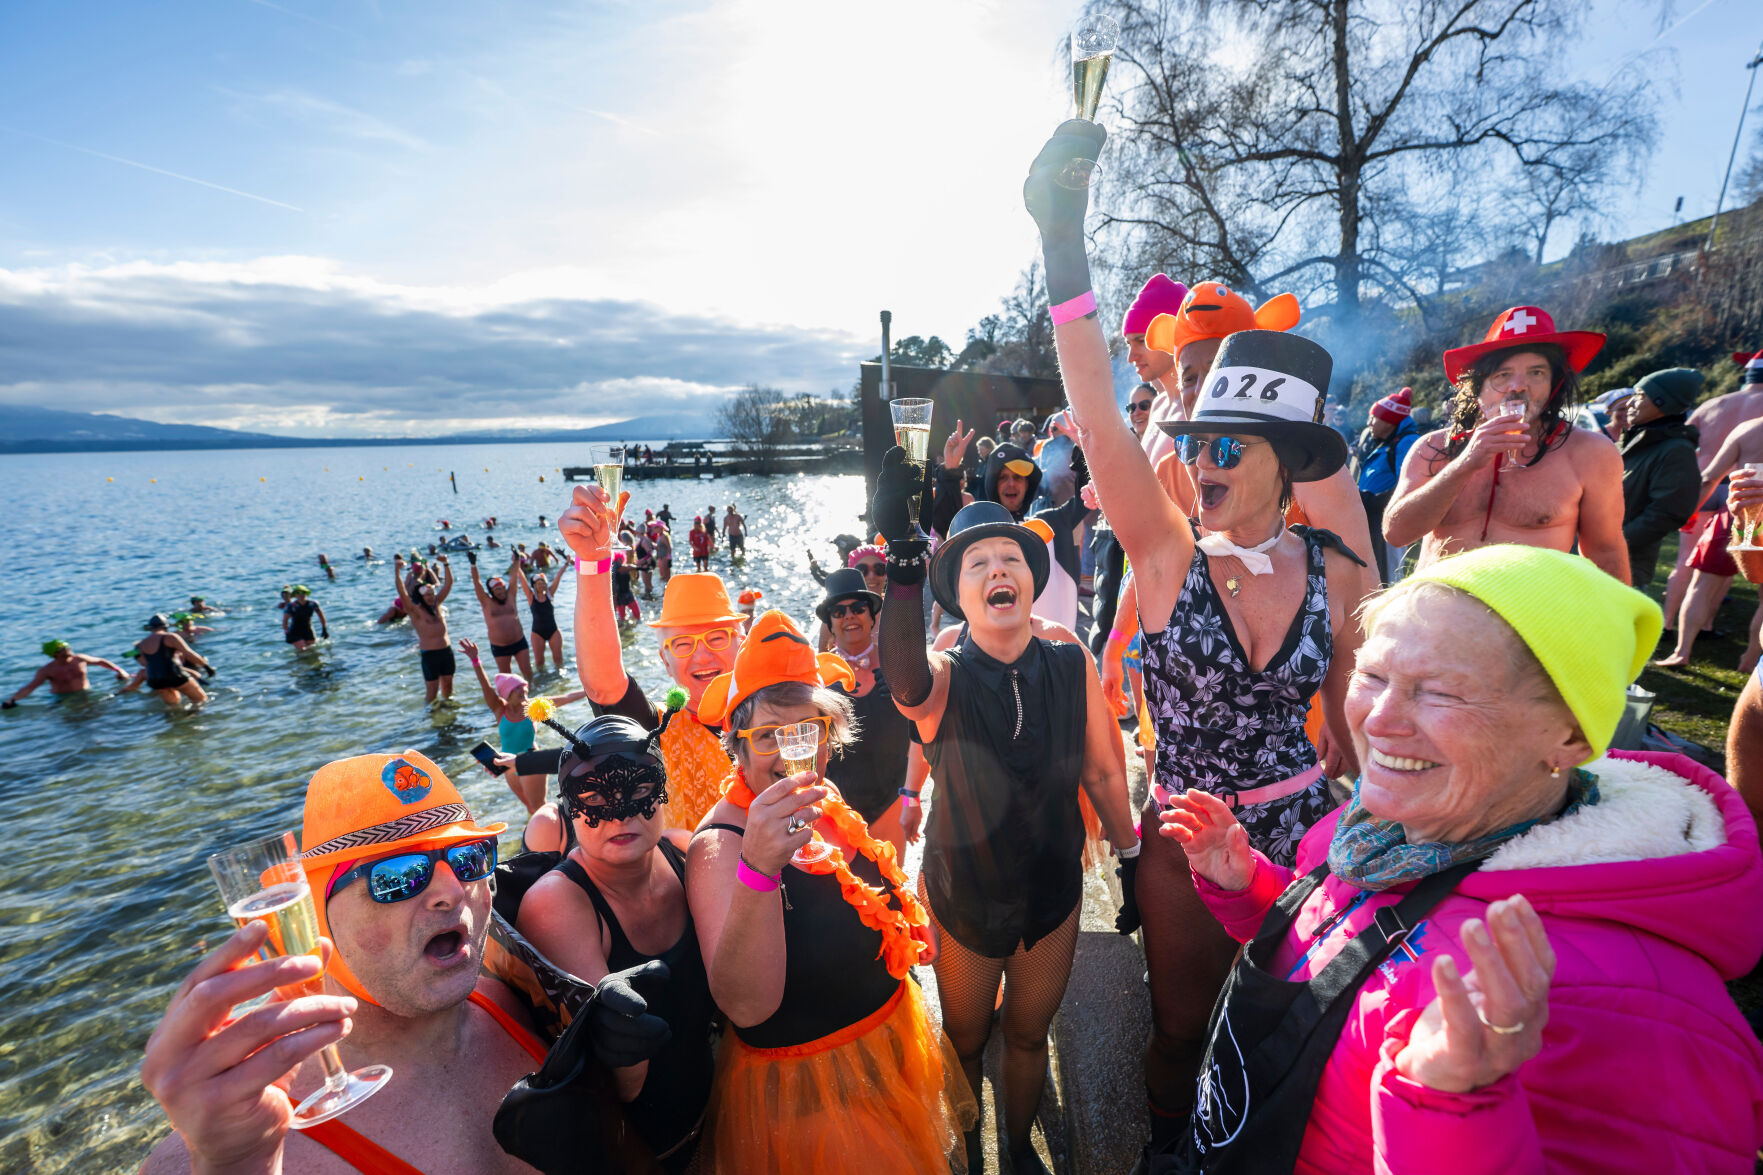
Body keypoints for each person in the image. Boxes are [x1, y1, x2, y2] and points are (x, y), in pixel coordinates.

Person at [1156, 544, 1763, 1171]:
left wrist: (1457, 1107)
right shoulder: (1379, 828)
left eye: (1440, 692)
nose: (1380, 719)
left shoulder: (1639, 1007)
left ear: (1572, 736)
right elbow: (1346, 947)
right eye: (1372, 675)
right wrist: (1253, 888)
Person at [1024, 118, 1370, 1153]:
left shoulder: (1338, 567)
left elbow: (1354, 703)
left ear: (1283, 461)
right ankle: (1169, 1149)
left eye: (1224, 445)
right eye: (1192, 439)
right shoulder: (1168, 556)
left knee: (1299, 1025)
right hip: (1183, 837)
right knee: (1177, 1029)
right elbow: (1092, 397)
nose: (1196, 458)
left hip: (1309, 836)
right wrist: (1060, 240)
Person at [137, 751, 598, 1175]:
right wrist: (234, 1164)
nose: (451, 891)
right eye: (397, 877)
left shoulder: (517, 998)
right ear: (317, 914)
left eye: (468, 858)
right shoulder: (231, 1139)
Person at [871, 483, 1138, 1173]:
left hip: (1051, 893)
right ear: (957, 597)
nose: (998, 569)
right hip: (963, 898)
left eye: (1010, 558)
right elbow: (902, 678)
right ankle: (967, 1148)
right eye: (977, 562)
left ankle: (1016, 1151)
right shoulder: (942, 678)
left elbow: (1106, 774)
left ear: (1030, 579)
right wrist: (904, 576)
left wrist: (1131, 854)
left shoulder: (1069, 660)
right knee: (963, 1037)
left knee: (1026, 1034)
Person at [686, 611, 977, 1173]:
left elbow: (861, 893)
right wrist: (759, 868)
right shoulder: (719, 847)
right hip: (811, 1096)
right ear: (736, 746)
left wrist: (909, 921)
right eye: (768, 735)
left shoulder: (822, 796)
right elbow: (746, 1007)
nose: (790, 753)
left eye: (807, 731)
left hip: (891, 1051)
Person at [515, 712, 716, 1171]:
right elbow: (621, 1080)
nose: (621, 812)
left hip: (720, 1105)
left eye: (639, 788)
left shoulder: (686, 852)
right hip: (638, 1150)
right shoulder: (557, 903)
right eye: (593, 795)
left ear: (662, 790)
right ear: (569, 807)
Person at [1383, 305, 1628, 581]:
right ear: (1477, 386)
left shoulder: (1591, 453)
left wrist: (1620, 621)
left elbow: (1605, 552)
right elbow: (1396, 532)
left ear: (1554, 384)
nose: (1518, 386)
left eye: (1536, 373)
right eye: (1502, 374)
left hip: (1529, 618)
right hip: (1433, 612)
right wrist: (1464, 464)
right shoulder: (1434, 447)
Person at [561, 484, 742, 832]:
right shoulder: (657, 730)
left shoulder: (777, 712)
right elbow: (603, 685)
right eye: (683, 644)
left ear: (742, 643)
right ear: (664, 660)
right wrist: (593, 561)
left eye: (717, 638)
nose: (702, 654)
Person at [814, 567, 914, 856]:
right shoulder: (816, 676)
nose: (849, 617)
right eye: (838, 612)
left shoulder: (899, 664)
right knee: (844, 893)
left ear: (872, 617)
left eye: (858, 608)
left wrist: (912, 797)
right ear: (830, 625)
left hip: (891, 799)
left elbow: (925, 729)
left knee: (891, 888)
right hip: (836, 803)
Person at [1662, 348, 1763, 627]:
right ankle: (1704, 626)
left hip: (1704, 485)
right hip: (1745, 492)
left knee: (1684, 561)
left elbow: (1683, 443)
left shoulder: (1715, 404)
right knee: (1723, 569)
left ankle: (1667, 623)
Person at [461, 643, 576, 814]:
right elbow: (486, 688)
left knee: (540, 808)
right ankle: (540, 833)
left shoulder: (533, 706)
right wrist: (476, 661)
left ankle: (559, 831)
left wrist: (592, 692)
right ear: (507, 693)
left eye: (523, 686)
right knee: (530, 808)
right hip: (507, 764)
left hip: (531, 760)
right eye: (517, 688)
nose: (523, 689)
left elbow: (565, 697)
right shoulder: (500, 709)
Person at [1616, 367, 1705, 589]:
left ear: (1662, 402)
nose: (1629, 404)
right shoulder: (1638, 440)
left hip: (1624, 566)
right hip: (1597, 558)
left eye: (1638, 396)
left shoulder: (1675, 450)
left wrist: (1613, 542)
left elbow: (1668, 513)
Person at [1353, 387, 1422, 584]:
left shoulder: (1407, 442)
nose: (1369, 423)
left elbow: (1409, 483)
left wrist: (1373, 501)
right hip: (1375, 518)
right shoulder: (1386, 441)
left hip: (1387, 519)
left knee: (1389, 576)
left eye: (1374, 418)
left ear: (1388, 421)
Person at [394, 552, 456, 703]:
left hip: (446, 652)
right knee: (432, 692)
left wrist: (446, 564)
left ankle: (448, 713)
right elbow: (401, 591)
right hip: (430, 655)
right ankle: (430, 717)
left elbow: (448, 585)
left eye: (432, 594)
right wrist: (397, 571)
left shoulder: (437, 605)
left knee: (448, 687)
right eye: (427, 595)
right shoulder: (415, 611)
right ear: (421, 596)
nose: (431, 597)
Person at [3, 640, 128, 707]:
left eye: (69, 646)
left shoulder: (80, 659)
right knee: (70, 722)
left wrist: (119, 670)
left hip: (86, 693)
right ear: (55, 653)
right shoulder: (47, 670)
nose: (69, 649)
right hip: (62, 699)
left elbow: (101, 661)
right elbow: (31, 687)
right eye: (65, 648)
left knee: (106, 708)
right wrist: (12, 699)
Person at [469, 553, 534, 679]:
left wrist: (516, 560)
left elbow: (513, 577)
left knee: (528, 673)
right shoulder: (486, 602)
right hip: (500, 646)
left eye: (502, 589)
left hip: (519, 641)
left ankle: (535, 694)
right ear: (492, 592)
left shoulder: (511, 596)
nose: (501, 592)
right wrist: (473, 565)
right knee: (507, 678)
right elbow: (477, 583)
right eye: (497, 590)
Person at [135, 614, 212, 707]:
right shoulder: (170, 637)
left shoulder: (142, 643)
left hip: (155, 678)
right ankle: (192, 717)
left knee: (174, 706)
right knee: (201, 700)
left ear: (150, 628)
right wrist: (206, 667)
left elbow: (145, 663)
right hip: (174, 675)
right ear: (166, 626)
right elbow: (189, 653)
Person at [517, 560, 568, 675]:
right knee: (539, 662)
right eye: (539, 583)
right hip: (537, 632)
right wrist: (517, 563)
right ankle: (542, 680)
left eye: (543, 583)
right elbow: (523, 579)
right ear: (534, 586)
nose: (542, 585)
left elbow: (558, 577)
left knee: (558, 659)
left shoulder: (550, 594)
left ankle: (559, 678)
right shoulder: (531, 597)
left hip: (553, 630)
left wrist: (566, 564)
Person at [282, 586, 328, 652]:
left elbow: (321, 617)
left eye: (303, 592)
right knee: (303, 650)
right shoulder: (291, 606)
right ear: (295, 595)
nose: (301, 595)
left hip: (308, 629)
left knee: (312, 650)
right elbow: (285, 622)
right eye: (298, 593)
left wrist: (324, 629)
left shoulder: (312, 604)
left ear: (306, 593)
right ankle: (298, 661)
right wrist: (287, 634)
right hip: (294, 632)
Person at [611, 551, 642, 623]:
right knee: (622, 617)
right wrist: (637, 567)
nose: (620, 560)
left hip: (627, 592)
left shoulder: (624, 567)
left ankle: (633, 624)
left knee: (637, 614)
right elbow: (628, 567)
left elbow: (629, 568)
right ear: (616, 559)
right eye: (619, 559)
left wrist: (636, 570)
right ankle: (622, 627)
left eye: (621, 559)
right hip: (620, 595)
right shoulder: (616, 567)